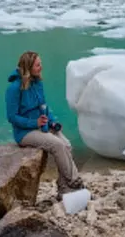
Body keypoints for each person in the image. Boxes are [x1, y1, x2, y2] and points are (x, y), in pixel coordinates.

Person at [5, 51, 85, 196]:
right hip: (24, 133)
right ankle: (74, 181)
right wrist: (34, 122)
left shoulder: (37, 83)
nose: (41, 67)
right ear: (28, 67)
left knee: (66, 144)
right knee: (57, 145)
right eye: (37, 65)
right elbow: (12, 117)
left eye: (40, 64)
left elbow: (44, 107)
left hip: (42, 126)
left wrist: (53, 122)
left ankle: (63, 187)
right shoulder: (14, 88)